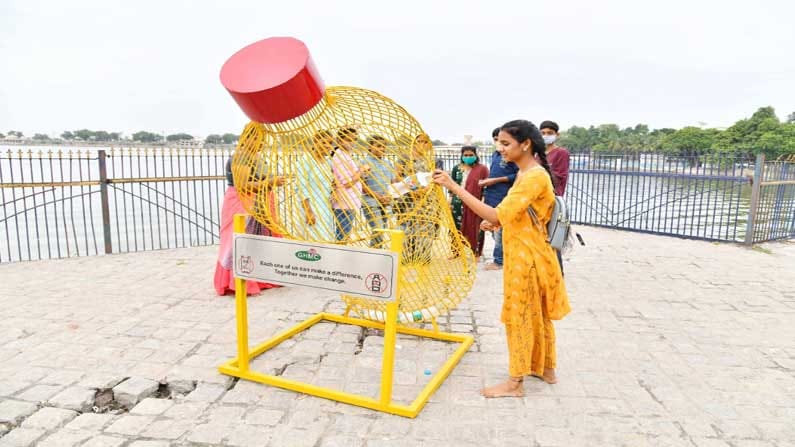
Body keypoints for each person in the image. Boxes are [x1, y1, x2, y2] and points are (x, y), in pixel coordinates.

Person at [432, 119, 570, 397]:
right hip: (532, 252)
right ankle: (545, 368)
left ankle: (515, 382)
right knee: (537, 314)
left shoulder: (532, 176)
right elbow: (519, 214)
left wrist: (453, 186)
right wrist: (497, 224)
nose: (500, 149)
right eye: (499, 143)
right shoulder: (528, 173)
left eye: (506, 143)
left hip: (526, 259)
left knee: (518, 316)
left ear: (526, 144)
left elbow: (497, 213)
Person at [214, 155, 286, 296]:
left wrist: (273, 182)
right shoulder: (240, 157)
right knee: (240, 242)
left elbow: (264, 179)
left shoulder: (259, 157)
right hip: (243, 202)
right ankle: (241, 281)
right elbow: (243, 185)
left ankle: (261, 277)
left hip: (261, 202)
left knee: (260, 240)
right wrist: (271, 182)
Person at [480, 127, 519, 270]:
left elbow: (517, 176)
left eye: (502, 141)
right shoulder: (495, 155)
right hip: (491, 196)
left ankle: (499, 261)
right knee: (492, 228)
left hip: (504, 197)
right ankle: (506, 256)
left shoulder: (514, 156)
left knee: (500, 231)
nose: (499, 143)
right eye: (496, 140)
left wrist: (496, 180)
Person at [396, 133, 436, 265]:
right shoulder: (404, 158)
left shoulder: (431, 159)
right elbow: (397, 177)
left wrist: (426, 189)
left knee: (425, 227)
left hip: (427, 199)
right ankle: (407, 257)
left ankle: (423, 257)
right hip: (409, 198)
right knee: (408, 227)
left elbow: (434, 177)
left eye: (425, 142)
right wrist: (413, 190)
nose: (422, 144)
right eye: (419, 141)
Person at [539, 120, 570, 274]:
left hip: (552, 200)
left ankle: (558, 273)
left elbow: (560, 176)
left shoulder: (561, 153)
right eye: (543, 133)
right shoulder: (537, 153)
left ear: (557, 135)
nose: (546, 136)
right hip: (537, 201)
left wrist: (541, 173)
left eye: (549, 133)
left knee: (553, 236)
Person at [294, 130, 335, 241]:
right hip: (310, 207)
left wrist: (334, 192)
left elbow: (332, 182)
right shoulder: (305, 161)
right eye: (324, 142)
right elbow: (301, 188)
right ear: (315, 142)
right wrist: (308, 211)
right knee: (312, 243)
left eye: (330, 143)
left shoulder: (328, 162)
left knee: (327, 240)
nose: (327, 146)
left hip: (325, 207)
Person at [450, 145, 489, 260]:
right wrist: (450, 200)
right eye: (465, 155)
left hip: (475, 203)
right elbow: (452, 186)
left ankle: (476, 253)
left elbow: (486, 188)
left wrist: (483, 202)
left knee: (475, 227)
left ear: (476, 155)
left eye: (471, 155)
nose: (468, 157)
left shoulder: (482, 169)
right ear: (461, 156)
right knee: (456, 227)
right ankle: (456, 251)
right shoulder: (457, 168)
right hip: (457, 203)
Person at [331, 127, 369, 242]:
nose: (351, 143)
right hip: (345, 202)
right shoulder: (340, 156)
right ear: (339, 140)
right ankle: (338, 258)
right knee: (343, 236)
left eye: (354, 139)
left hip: (349, 202)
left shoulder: (345, 154)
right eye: (348, 139)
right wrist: (361, 171)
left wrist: (361, 172)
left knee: (344, 235)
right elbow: (347, 183)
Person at [361, 135, 394, 248]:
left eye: (384, 146)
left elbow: (392, 183)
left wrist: (389, 196)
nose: (382, 149)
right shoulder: (364, 162)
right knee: (378, 228)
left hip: (386, 201)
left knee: (381, 230)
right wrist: (377, 196)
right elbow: (362, 185)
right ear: (370, 147)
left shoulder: (388, 163)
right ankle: (375, 254)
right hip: (370, 201)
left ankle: (374, 253)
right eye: (379, 146)